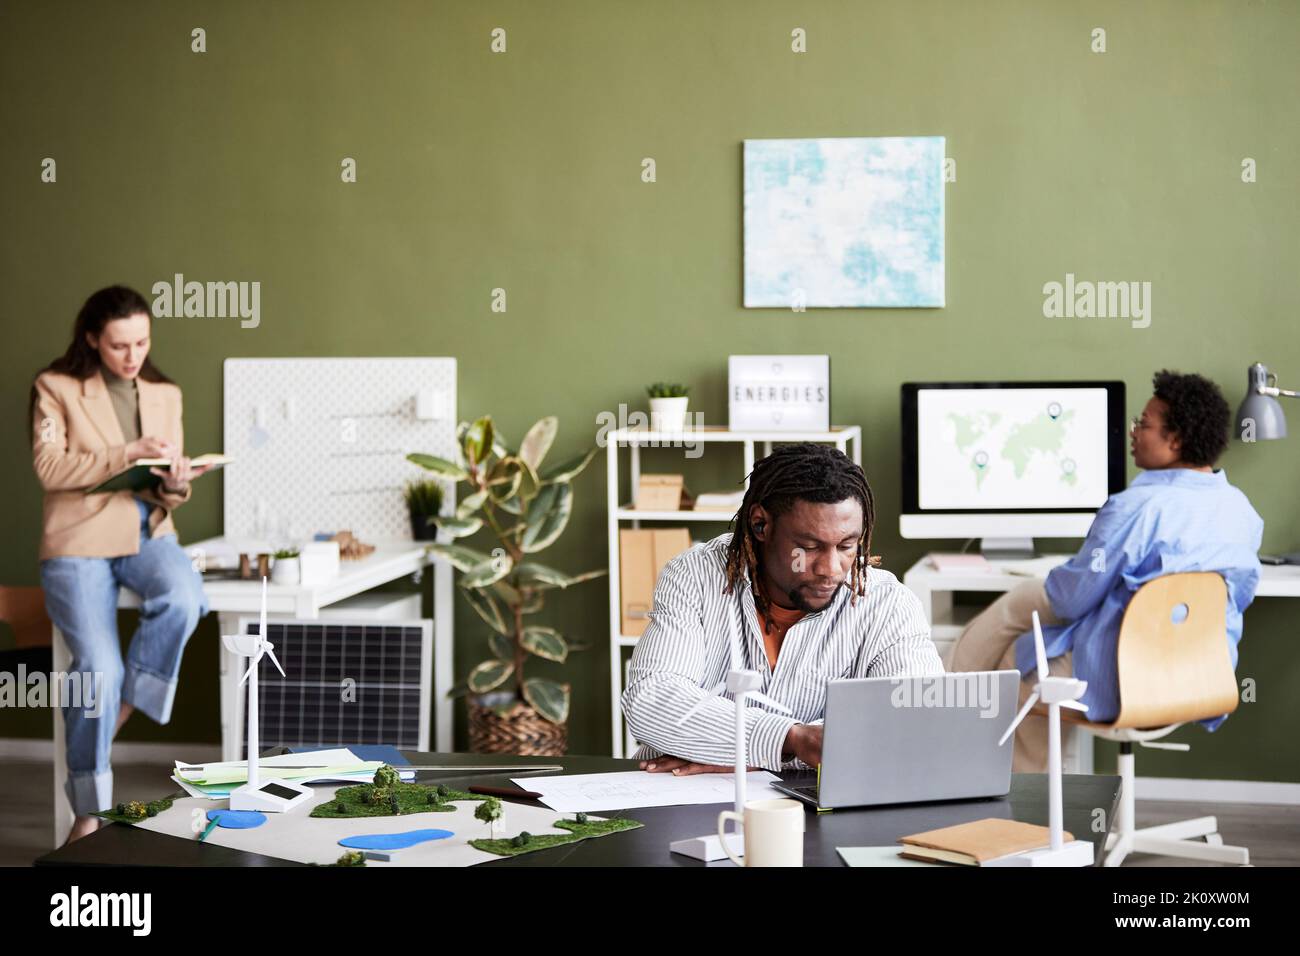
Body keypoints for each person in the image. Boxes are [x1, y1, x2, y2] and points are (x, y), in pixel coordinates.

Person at [949, 370, 1263, 771]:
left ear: (1176, 440)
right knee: (1027, 610)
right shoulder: (1242, 511)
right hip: (1201, 674)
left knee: (1019, 654)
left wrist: (1069, 575)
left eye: (1143, 424)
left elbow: (1070, 599)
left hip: (1128, 679)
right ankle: (946, 694)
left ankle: (1016, 806)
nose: (1133, 431)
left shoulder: (1136, 508)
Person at [622, 443, 943, 776]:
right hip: (679, 799)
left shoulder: (888, 604)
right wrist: (795, 739)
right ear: (761, 525)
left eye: (847, 546)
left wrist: (748, 751)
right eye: (808, 547)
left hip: (812, 814)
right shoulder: (695, 576)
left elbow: (914, 723)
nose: (831, 568)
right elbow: (651, 701)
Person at [30, 285, 210, 843]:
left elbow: (166, 488)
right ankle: (88, 813)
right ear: (92, 339)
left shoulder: (166, 393)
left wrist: (177, 483)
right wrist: (124, 453)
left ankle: (124, 707)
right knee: (96, 671)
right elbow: (49, 468)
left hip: (147, 532)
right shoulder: (55, 386)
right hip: (79, 540)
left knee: (186, 597)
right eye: (118, 345)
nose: (132, 356)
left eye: (141, 342)